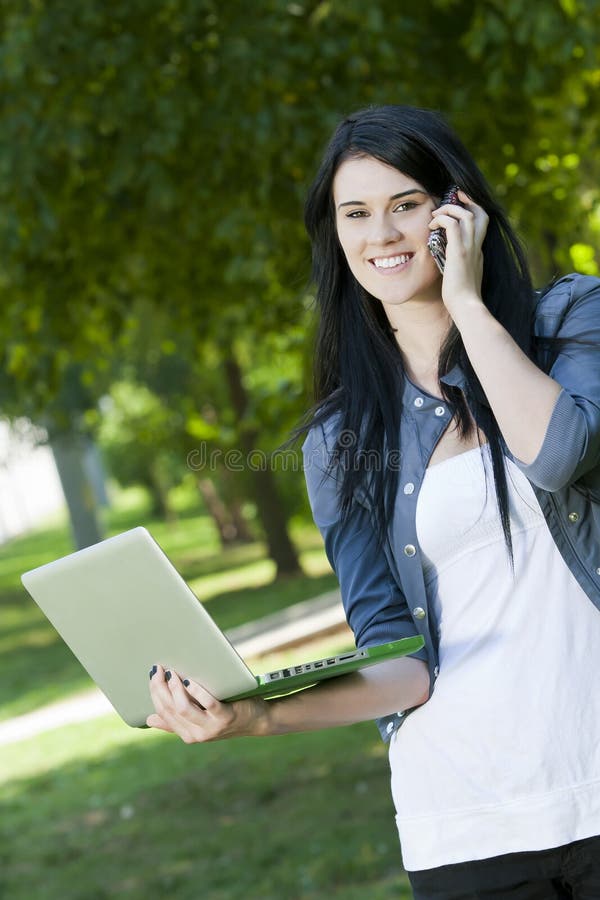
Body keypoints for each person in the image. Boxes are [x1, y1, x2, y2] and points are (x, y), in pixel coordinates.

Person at [147, 105, 600, 898]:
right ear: (335, 236)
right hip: (465, 821)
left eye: (406, 205)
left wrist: (466, 304)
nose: (381, 233)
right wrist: (256, 715)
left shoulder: (571, 321)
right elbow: (401, 662)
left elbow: (560, 454)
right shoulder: (340, 438)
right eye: (356, 214)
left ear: (458, 210)